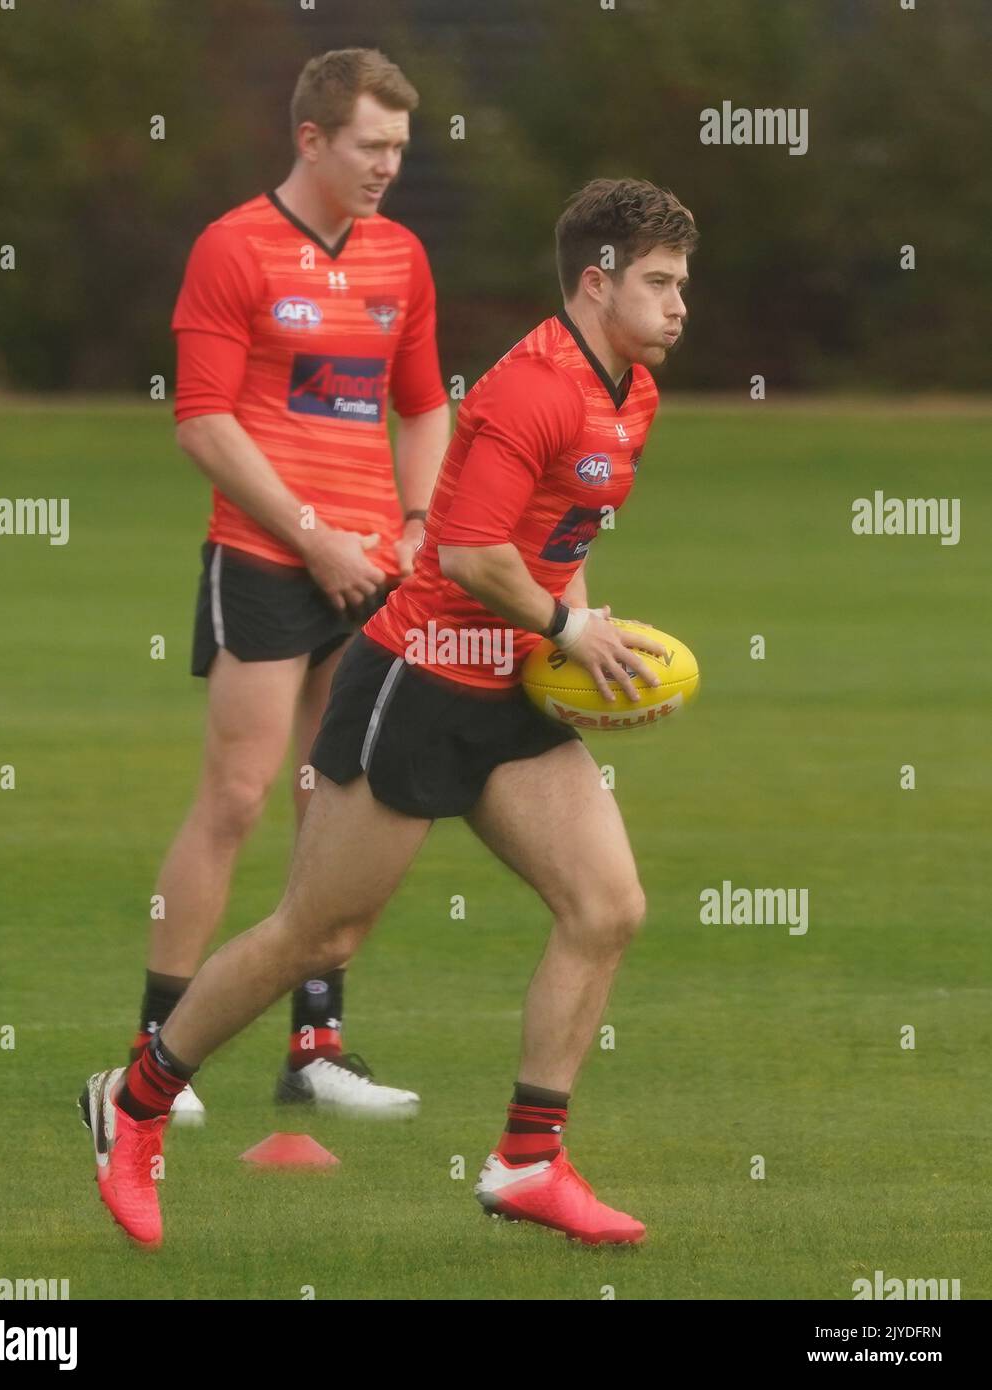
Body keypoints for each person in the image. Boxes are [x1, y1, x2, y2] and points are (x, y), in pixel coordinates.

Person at [82, 176, 697, 1248]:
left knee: (608, 906)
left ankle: (526, 1162)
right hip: (414, 683)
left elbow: (564, 534)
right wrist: (567, 626)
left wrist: (580, 637)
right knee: (315, 931)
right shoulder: (530, 389)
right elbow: (468, 554)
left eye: (683, 282)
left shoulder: (631, 391)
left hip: (511, 682)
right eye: (658, 282)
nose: (681, 303)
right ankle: (131, 1107)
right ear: (596, 284)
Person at [131, 49, 450, 1123]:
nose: (388, 167)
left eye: (400, 149)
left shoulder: (402, 257)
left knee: (335, 803)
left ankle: (315, 1049)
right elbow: (202, 422)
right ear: (310, 139)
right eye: (372, 145)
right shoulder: (233, 247)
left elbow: (421, 405)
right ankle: (155, 1050)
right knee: (235, 797)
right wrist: (313, 536)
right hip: (269, 558)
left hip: (373, 569)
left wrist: (411, 523)